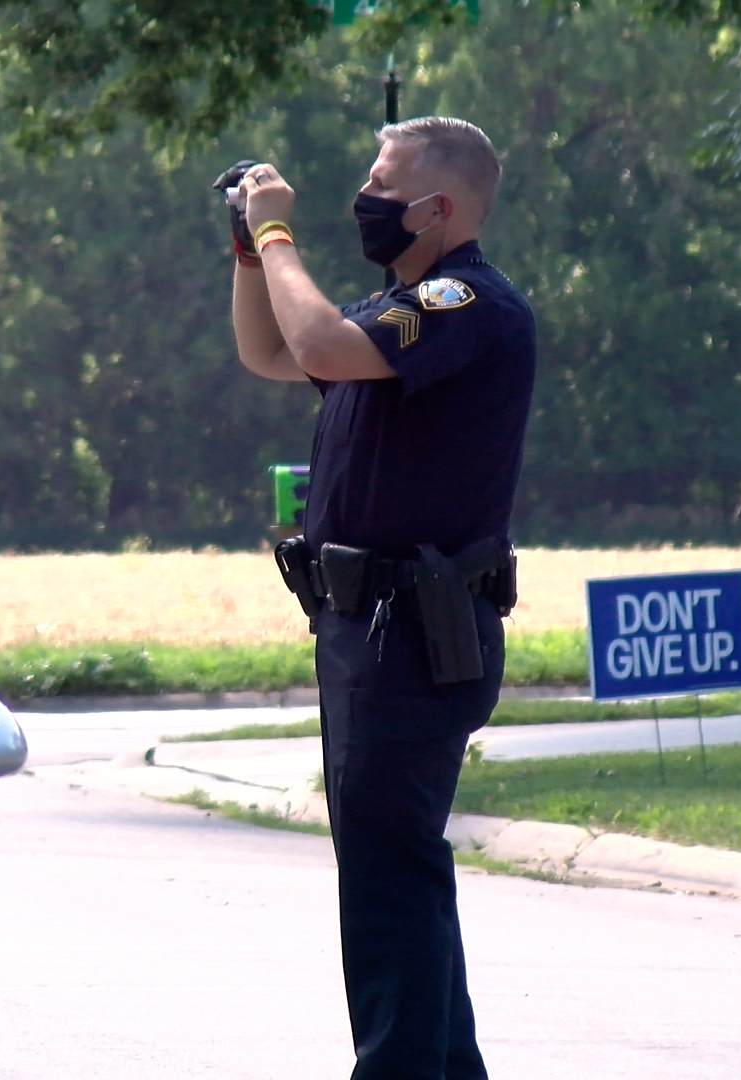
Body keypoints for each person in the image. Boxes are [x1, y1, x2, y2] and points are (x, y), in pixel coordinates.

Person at [221, 117, 536, 1080]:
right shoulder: (398, 314)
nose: (366, 195)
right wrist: (246, 249)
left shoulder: (462, 302)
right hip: (368, 625)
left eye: (382, 181)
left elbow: (314, 343)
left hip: (413, 625)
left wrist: (278, 234)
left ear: (437, 209)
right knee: (396, 864)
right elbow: (274, 353)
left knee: (388, 872)